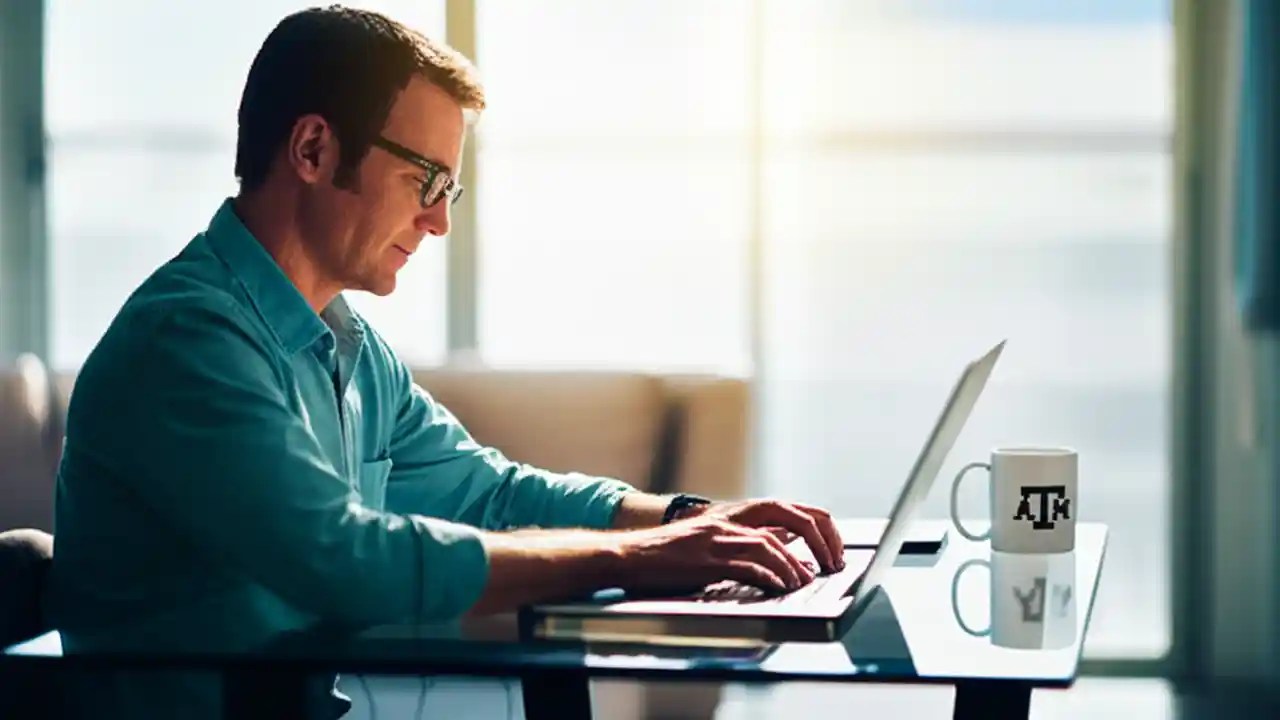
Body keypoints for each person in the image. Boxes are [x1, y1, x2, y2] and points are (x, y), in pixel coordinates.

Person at [47, 6, 844, 718]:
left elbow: (489, 492)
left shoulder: (350, 348)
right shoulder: (189, 342)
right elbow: (346, 562)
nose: (437, 222)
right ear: (315, 148)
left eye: (449, 191)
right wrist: (641, 558)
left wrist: (683, 518)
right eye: (426, 178)